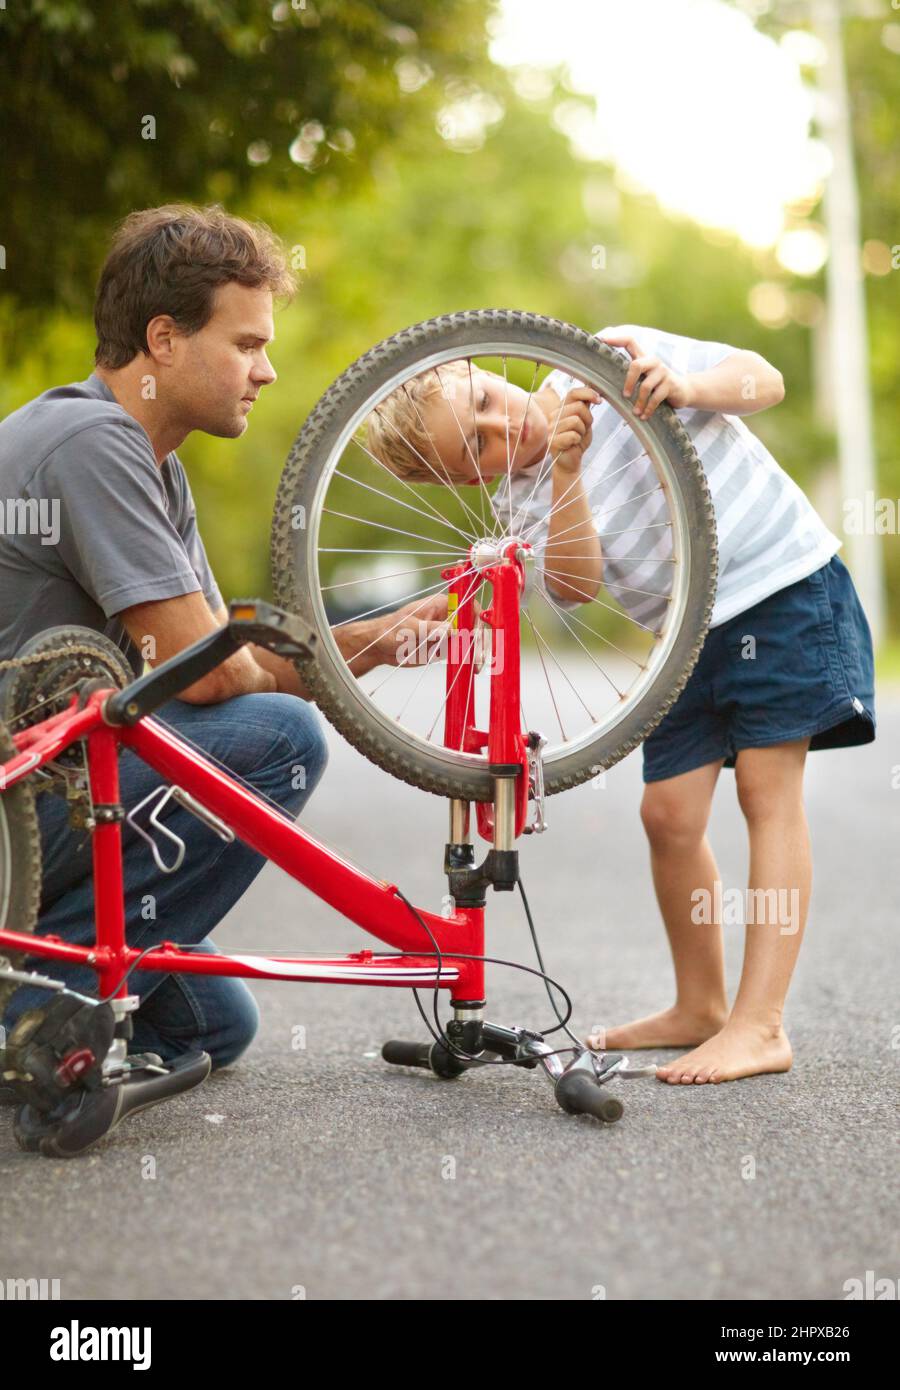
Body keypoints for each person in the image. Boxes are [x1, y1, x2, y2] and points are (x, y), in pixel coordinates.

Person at [0, 203, 448, 1078]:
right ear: (163, 340)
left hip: (46, 801)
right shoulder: (94, 444)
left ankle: (47, 988)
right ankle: (32, 1003)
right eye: (246, 345)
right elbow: (210, 681)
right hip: (14, 813)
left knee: (212, 1024)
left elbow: (211, 660)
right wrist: (292, 661)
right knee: (279, 742)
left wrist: (373, 642)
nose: (268, 371)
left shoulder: (151, 462)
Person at [365, 323, 877, 1085]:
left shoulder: (613, 357)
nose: (503, 425)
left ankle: (761, 1024)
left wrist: (690, 385)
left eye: (486, 400)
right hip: (686, 634)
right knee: (668, 817)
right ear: (465, 482)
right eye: (479, 448)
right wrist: (566, 471)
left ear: (482, 367)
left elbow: (762, 378)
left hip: (779, 587)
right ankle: (700, 1003)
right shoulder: (520, 501)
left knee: (767, 792)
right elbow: (575, 584)